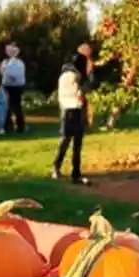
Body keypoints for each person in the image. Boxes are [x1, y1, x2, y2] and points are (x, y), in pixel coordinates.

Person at [52, 44, 94, 185]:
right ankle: (64, 169)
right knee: (71, 141)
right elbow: (79, 92)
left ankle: (71, 171)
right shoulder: (72, 76)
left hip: (71, 109)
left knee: (71, 141)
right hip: (71, 110)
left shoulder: (69, 74)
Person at [0, 43, 27, 133]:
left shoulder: (10, 63)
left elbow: (3, 72)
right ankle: (18, 126)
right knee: (15, 106)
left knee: (10, 106)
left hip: (10, 86)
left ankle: (9, 126)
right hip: (16, 86)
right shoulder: (19, 63)